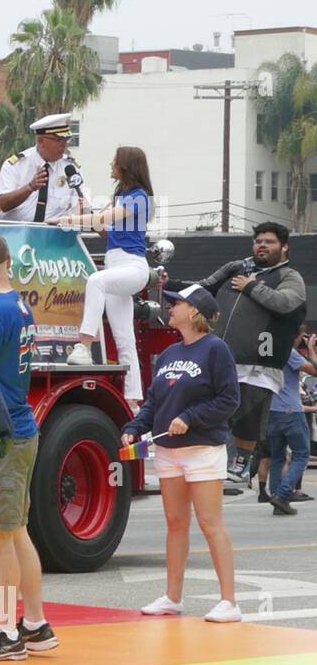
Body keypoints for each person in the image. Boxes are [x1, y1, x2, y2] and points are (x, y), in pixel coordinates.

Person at [0, 233, 59, 660]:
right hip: (22, 425)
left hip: (0, 434)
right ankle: (34, 624)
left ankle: (5, 631)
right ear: (7, 261)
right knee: (16, 531)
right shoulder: (19, 305)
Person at [124, 284, 241, 623]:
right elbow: (155, 401)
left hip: (202, 449)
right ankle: (172, 597)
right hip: (167, 450)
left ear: (194, 312)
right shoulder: (170, 354)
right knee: (175, 524)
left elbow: (229, 400)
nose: (170, 307)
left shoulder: (215, 349)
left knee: (210, 523)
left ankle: (229, 601)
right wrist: (136, 425)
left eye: (177, 303)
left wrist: (189, 418)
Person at [166, 222, 307, 483]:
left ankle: (240, 465)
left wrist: (251, 287)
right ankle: (209, 464)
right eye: (258, 241)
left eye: (270, 242)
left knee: (246, 417)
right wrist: (170, 283)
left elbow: (287, 304)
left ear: (284, 248)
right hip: (221, 360)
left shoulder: (289, 277)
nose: (262, 245)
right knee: (212, 413)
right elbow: (203, 287)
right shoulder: (235, 268)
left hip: (260, 366)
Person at [51, 146, 154, 407]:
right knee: (124, 337)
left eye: (115, 161)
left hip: (133, 267)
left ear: (126, 166)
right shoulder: (122, 197)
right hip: (116, 264)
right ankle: (133, 401)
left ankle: (83, 345)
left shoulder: (140, 197)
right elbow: (105, 228)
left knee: (96, 281)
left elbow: (106, 218)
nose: (111, 164)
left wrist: (71, 220)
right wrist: (83, 218)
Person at [0, 113, 88, 222]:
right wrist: (30, 187)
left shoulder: (71, 168)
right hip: (17, 231)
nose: (64, 145)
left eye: (66, 140)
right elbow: (4, 205)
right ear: (41, 141)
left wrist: (82, 211)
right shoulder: (16, 165)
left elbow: (80, 202)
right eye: (59, 140)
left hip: (53, 233)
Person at [265, 332, 316, 514]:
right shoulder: (288, 351)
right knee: (302, 454)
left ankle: (278, 499)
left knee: (277, 457)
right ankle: (283, 494)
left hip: (272, 409)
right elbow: (314, 370)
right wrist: (310, 348)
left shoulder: (268, 351)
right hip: (290, 410)